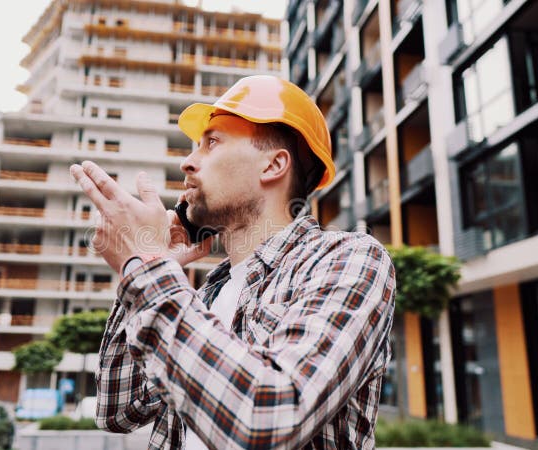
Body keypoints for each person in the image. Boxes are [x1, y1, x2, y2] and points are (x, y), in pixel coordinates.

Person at [69, 75, 395, 449]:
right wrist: (151, 273)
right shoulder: (204, 294)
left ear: (273, 165)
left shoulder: (350, 259)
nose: (187, 163)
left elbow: (268, 418)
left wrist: (145, 266)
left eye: (212, 143)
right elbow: (118, 409)